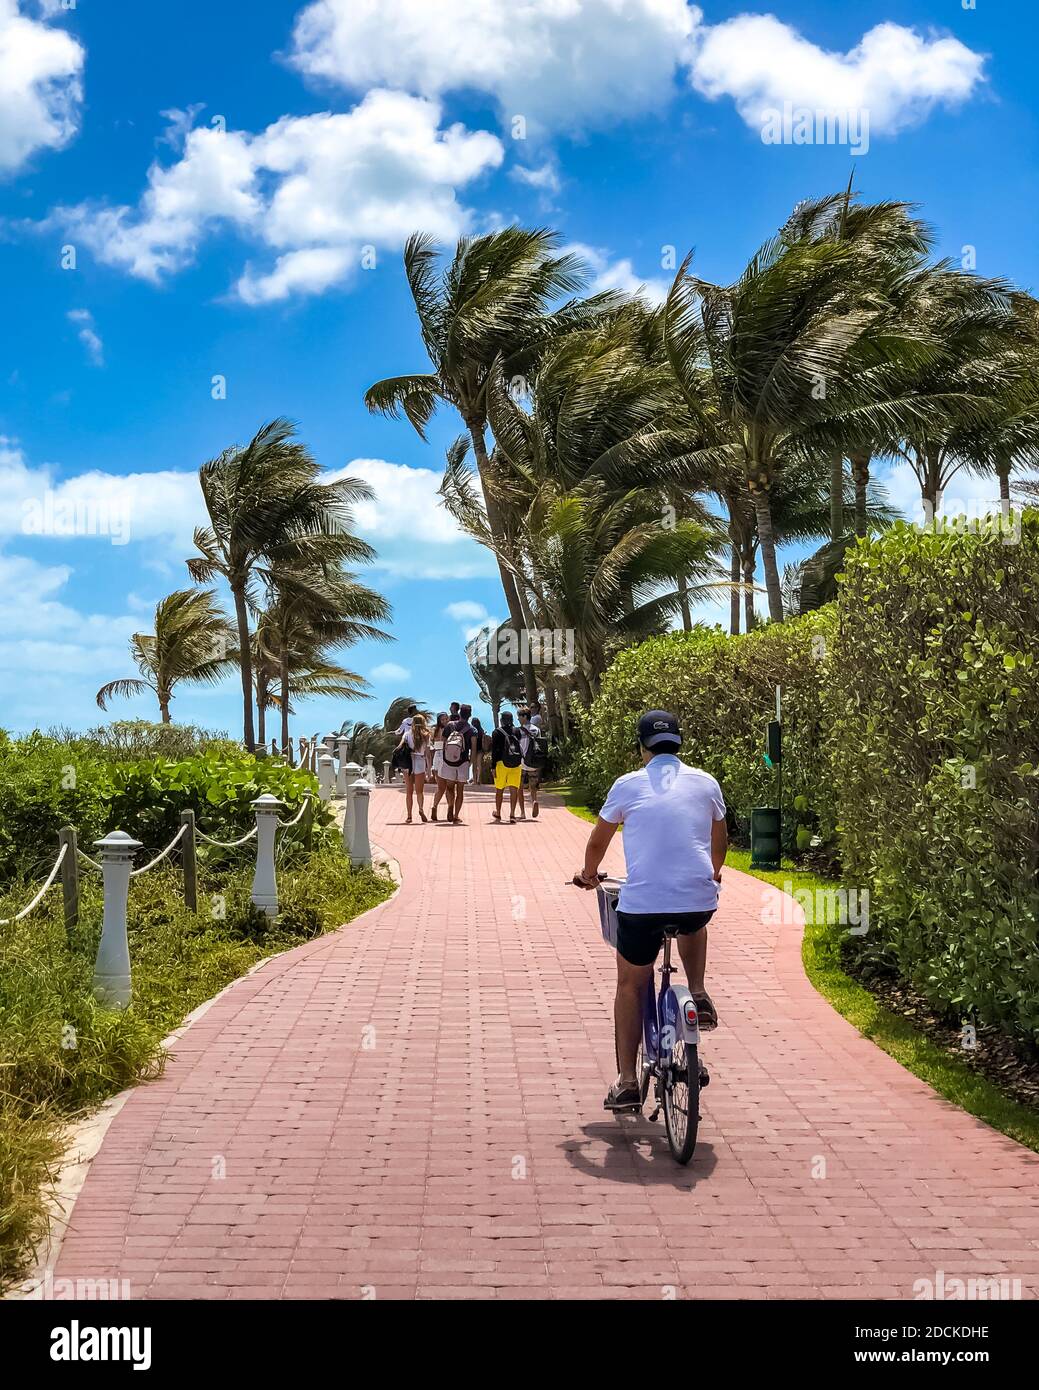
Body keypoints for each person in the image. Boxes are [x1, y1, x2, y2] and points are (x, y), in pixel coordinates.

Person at [573, 710, 726, 1112]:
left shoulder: (627, 785)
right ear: (679, 743)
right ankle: (697, 991)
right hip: (697, 900)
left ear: (642, 747)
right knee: (696, 917)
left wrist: (588, 875)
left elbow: (596, 843)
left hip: (642, 909)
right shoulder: (706, 782)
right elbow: (719, 841)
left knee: (630, 983)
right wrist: (713, 875)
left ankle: (626, 1081)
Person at [438, 702, 476, 823]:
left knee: (449, 787)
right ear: (469, 715)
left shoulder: (449, 725)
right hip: (463, 762)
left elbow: (443, 742)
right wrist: (471, 762)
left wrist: (443, 757)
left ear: (459, 713)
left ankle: (450, 805)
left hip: (448, 761)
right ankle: (456, 815)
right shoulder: (472, 730)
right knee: (460, 790)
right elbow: (473, 749)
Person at [491, 711, 524, 822]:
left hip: (501, 763)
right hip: (516, 763)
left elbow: (494, 751)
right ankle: (512, 814)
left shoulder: (496, 732)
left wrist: (493, 766)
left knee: (499, 789)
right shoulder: (517, 731)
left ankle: (498, 812)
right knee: (513, 788)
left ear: (501, 720)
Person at [400, 712, 431, 823]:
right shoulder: (426, 735)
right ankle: (421, 809)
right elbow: (427, 754)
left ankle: (409, 816)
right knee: (419, 791)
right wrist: (429, 770)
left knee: (409, 791)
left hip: (408, 762)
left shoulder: (407, 734)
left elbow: (400, 747)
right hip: (420, 761)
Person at [517, 707, 547, 820]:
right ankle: (534, 800)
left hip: (522, 762)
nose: (518, 719)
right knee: (533, 786)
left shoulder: (519, 730)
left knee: (519, 787)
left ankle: (522, 813)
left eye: (519, 716)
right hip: (534, 761)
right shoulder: (536, 729)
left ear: (525, 716)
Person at [429, 712, 450, 820]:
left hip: (437, 757)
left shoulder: (435, 731)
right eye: (443, 719)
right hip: (445, 757)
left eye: (446, 719)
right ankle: (450, 810)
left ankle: (434, 807)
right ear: (439, 721)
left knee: (441, 788)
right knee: (449, 788)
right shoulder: (446, 731)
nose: (446, 721)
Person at [470, 716, 486, 784]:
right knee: (479, 765)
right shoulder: (481, 731)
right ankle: (479, 779)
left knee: (474, 765)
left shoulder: (472, 731)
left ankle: (475, 780)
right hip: (480, 749)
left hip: (474, 749)